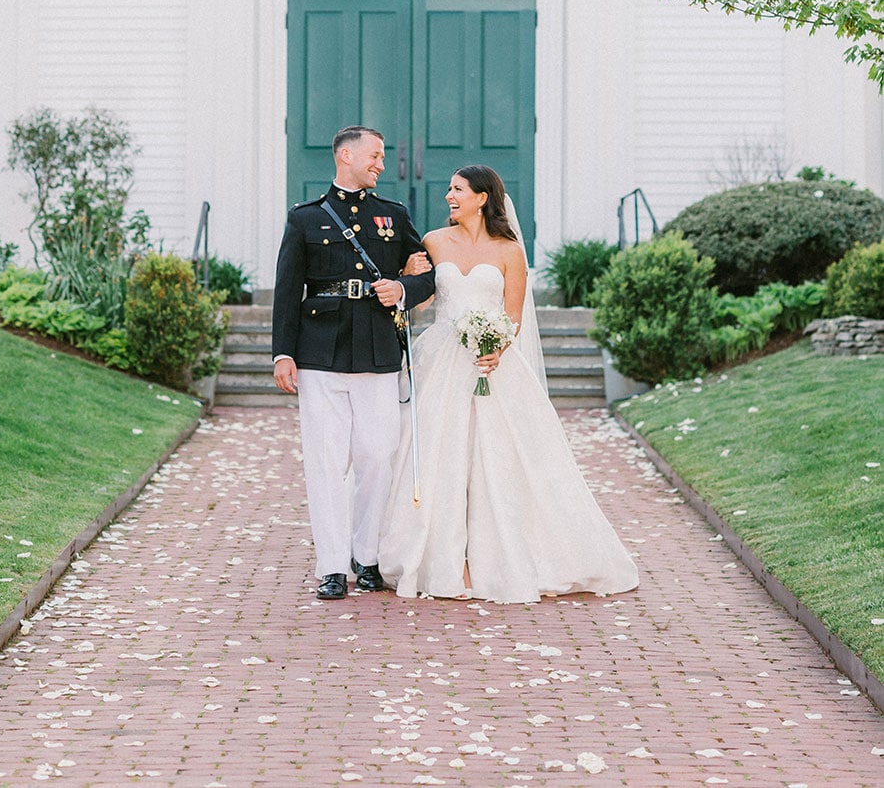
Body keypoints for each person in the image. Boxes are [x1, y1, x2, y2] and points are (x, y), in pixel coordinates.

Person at [378, 165, 639, 604]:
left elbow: (513, 315)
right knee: (438, 458)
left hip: (490, 365)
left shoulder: (509, 251)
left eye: (457, 189)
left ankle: (498, 555)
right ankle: (442, 559)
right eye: (448, 189)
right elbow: (421, 300)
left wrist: (496, 347)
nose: (448, 196)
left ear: (482, 198)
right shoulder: (433, 242)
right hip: (440, 359)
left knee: (496, 462)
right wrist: (407, 278)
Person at [272, 126, 435, 600]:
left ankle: (366, 558)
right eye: (375, 155)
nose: (382, 163)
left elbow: (429, 273)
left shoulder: (393, 215)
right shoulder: (304, 219)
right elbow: (287, 290)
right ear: (346, 154)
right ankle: (332, 567)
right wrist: (283, 352)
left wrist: (403, 289)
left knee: (377, 457)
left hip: (378, 352)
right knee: (325, 462)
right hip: (320, 353)